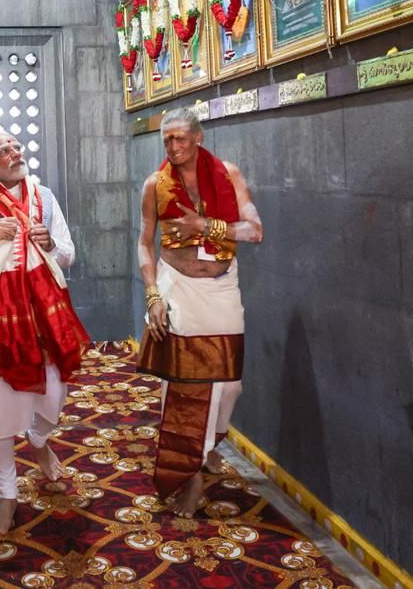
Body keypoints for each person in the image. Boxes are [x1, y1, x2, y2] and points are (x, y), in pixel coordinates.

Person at [0, 131, 91, 535]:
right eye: (4, 150)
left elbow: (69, 253)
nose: (15, 152)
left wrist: (51, 245)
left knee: (55, 394)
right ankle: (8, 496)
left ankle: (39, 441)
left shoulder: (43, 198)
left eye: (15, 146)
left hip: (44, 319)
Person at [136, 107, 264, 518]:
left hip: (222, 285)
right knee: (184, 388)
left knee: (229, 387)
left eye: (180, 139)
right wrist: (153, 295)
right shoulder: (155, 184)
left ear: (199, 137)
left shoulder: (228, 174)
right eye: (167, 141)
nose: (173, 147)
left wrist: (206, 227)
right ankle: (189, 476)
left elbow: (254, 231)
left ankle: (209, 444)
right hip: (178, 288)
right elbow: (144, 243)